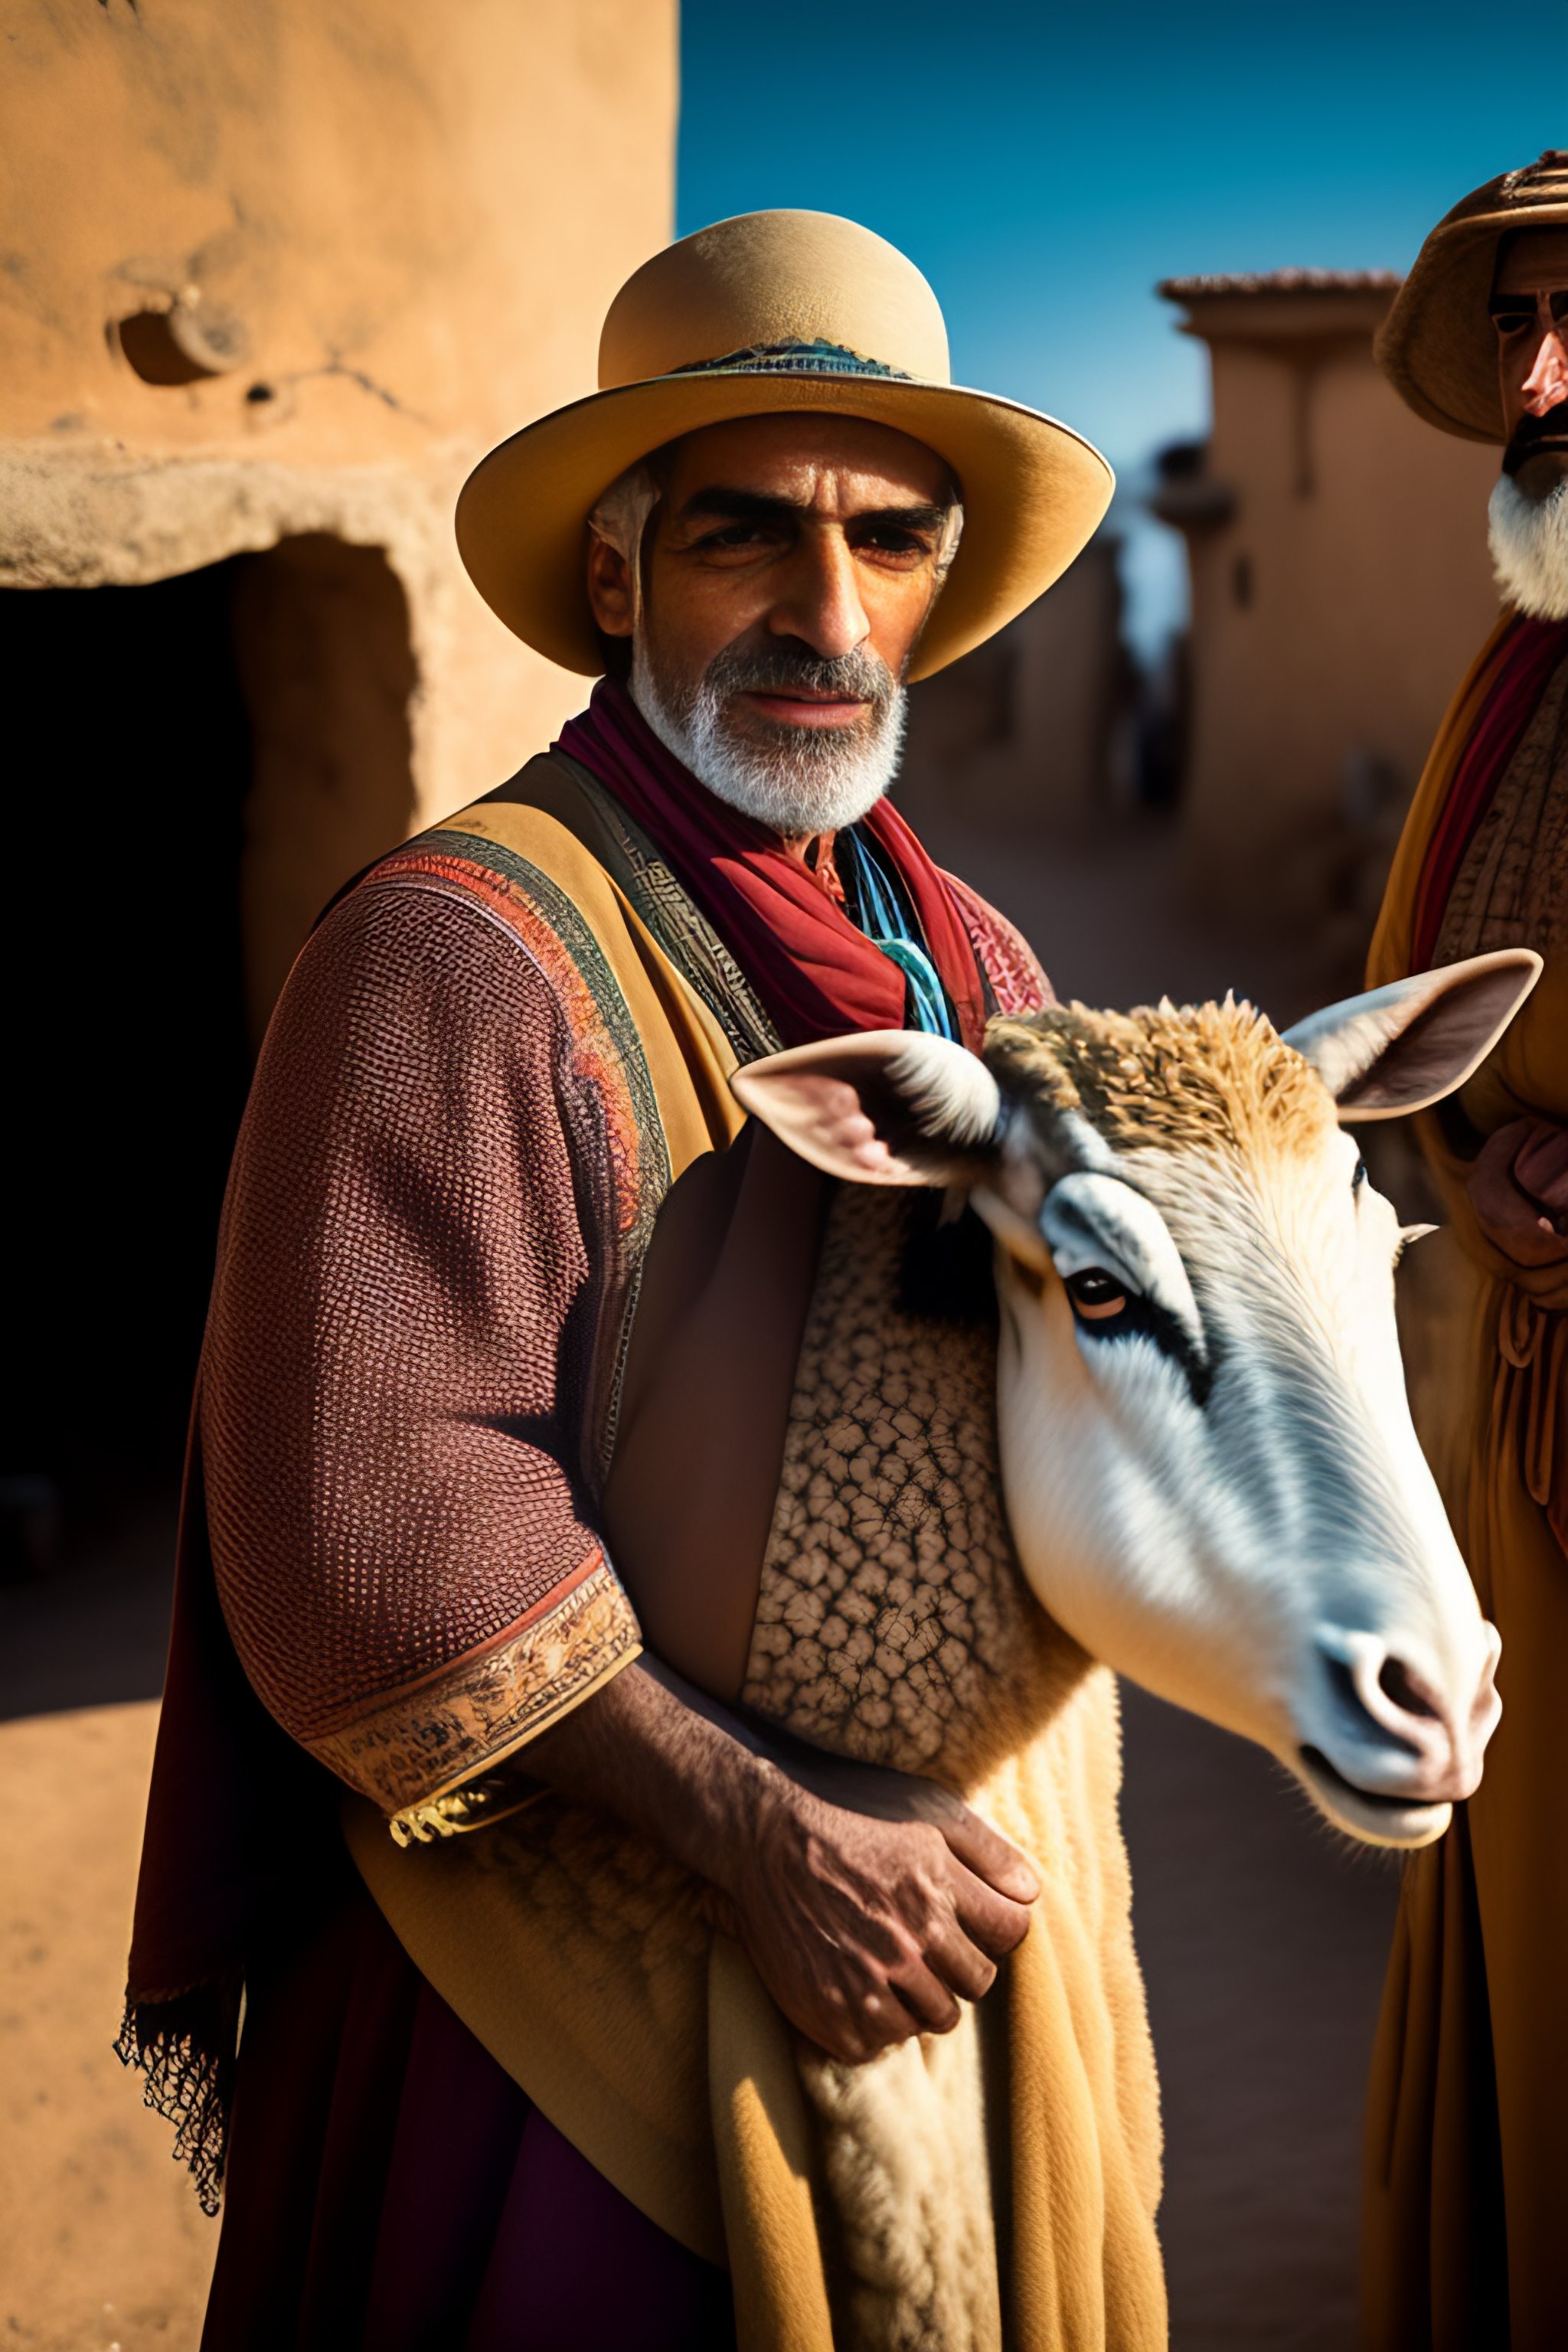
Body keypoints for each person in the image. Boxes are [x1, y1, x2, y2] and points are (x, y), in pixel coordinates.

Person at [117, 210, 1149, 2348]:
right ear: (616, 575)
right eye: (745, 532)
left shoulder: (984, 967)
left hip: (946, 1940)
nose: (826, 613)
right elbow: (377, 1520)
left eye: (889, 540)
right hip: (557, 2016)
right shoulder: (448, 958)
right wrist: (771, 1833)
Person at [1363, 151, 1568, 2348]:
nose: (1539, 379)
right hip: (1533, 1431)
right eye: (1515, 322)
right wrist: (1474, 1172)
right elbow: (1416, 1014)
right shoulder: (1514, 680)